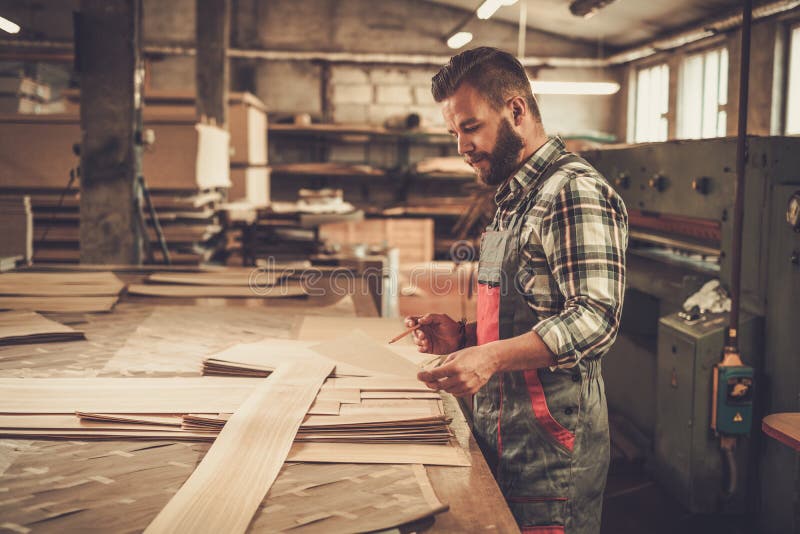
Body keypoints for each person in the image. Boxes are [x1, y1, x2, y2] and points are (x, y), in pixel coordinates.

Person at [407, 47, 628, 534]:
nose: (461, 146)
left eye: (470, 127)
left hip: (551, 450)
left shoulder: (572, 191)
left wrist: (487, 359)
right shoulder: (514, 196)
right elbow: (525, 312)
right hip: (502, 434)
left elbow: (595, 319)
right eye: (453, 133)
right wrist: (465, 338)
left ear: (516, 111)